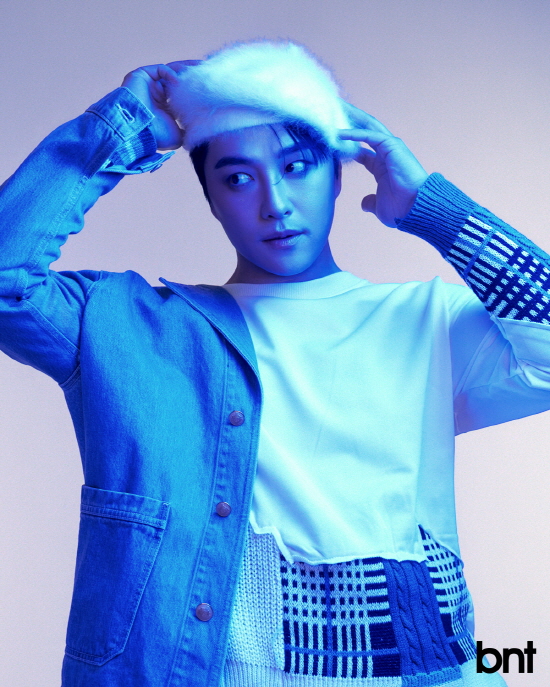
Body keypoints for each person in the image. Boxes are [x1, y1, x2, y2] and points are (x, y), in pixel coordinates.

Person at [1, 39, 548, 687]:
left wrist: (431, 207)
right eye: (238, 178)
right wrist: (125, 126)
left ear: (339, 171)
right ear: (210, 196)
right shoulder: (130, 326)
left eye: (296, 165)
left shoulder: (425, 320)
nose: (275, 203)